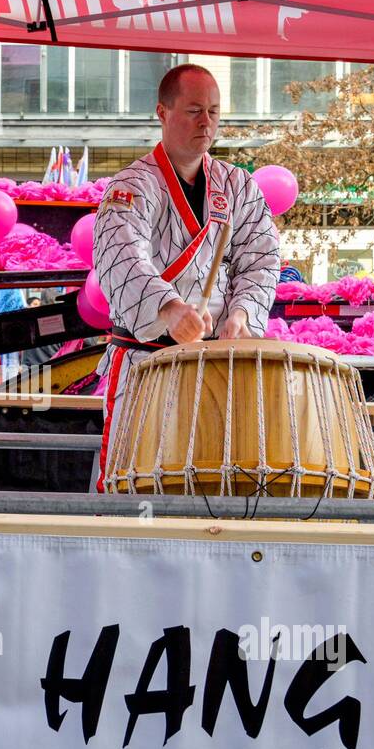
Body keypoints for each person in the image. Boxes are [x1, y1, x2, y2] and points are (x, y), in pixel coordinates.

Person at [91, 63, 279, 490]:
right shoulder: (132, 185)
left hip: (214, 361)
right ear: (162, 112)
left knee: (213, 479)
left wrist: (242, 317)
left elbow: (261, 258)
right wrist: (170, 308)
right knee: (132, 477)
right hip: (146, 358)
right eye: (194, 110)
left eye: (214, 111)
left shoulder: (237, 185)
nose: (206, 122)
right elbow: (120, 256)